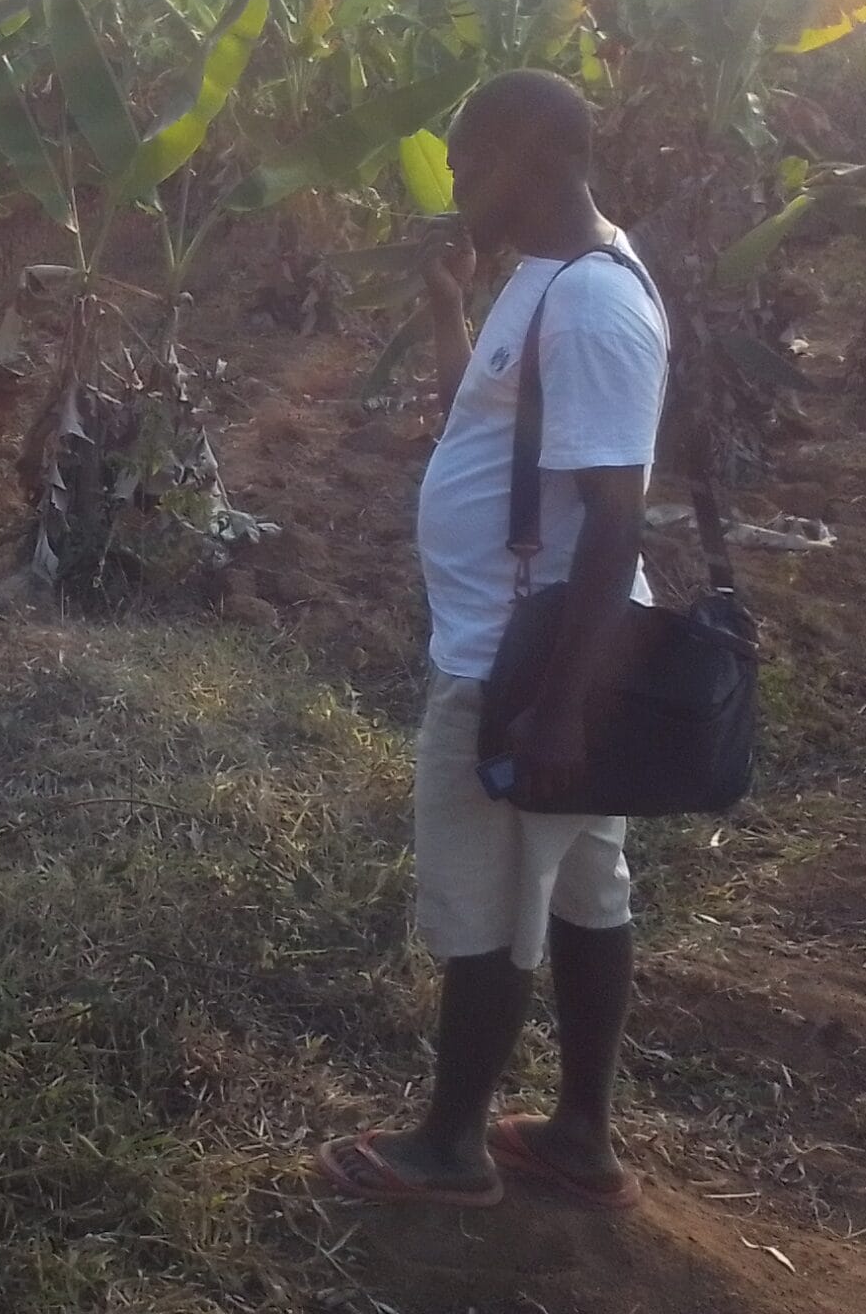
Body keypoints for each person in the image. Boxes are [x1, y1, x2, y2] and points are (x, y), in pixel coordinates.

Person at [320, 69, 668, 1212]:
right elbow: (501, 434)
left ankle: (452, 1147)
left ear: (527, 158)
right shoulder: (543, 280)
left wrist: (559, 705)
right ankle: (576, 1137)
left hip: (530, 663)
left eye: (470, 160)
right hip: (537, 645)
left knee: (494, 901)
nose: (458, 181)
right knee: (578, 888)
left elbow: (616, 511)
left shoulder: (594, 303)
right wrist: (447, 317)